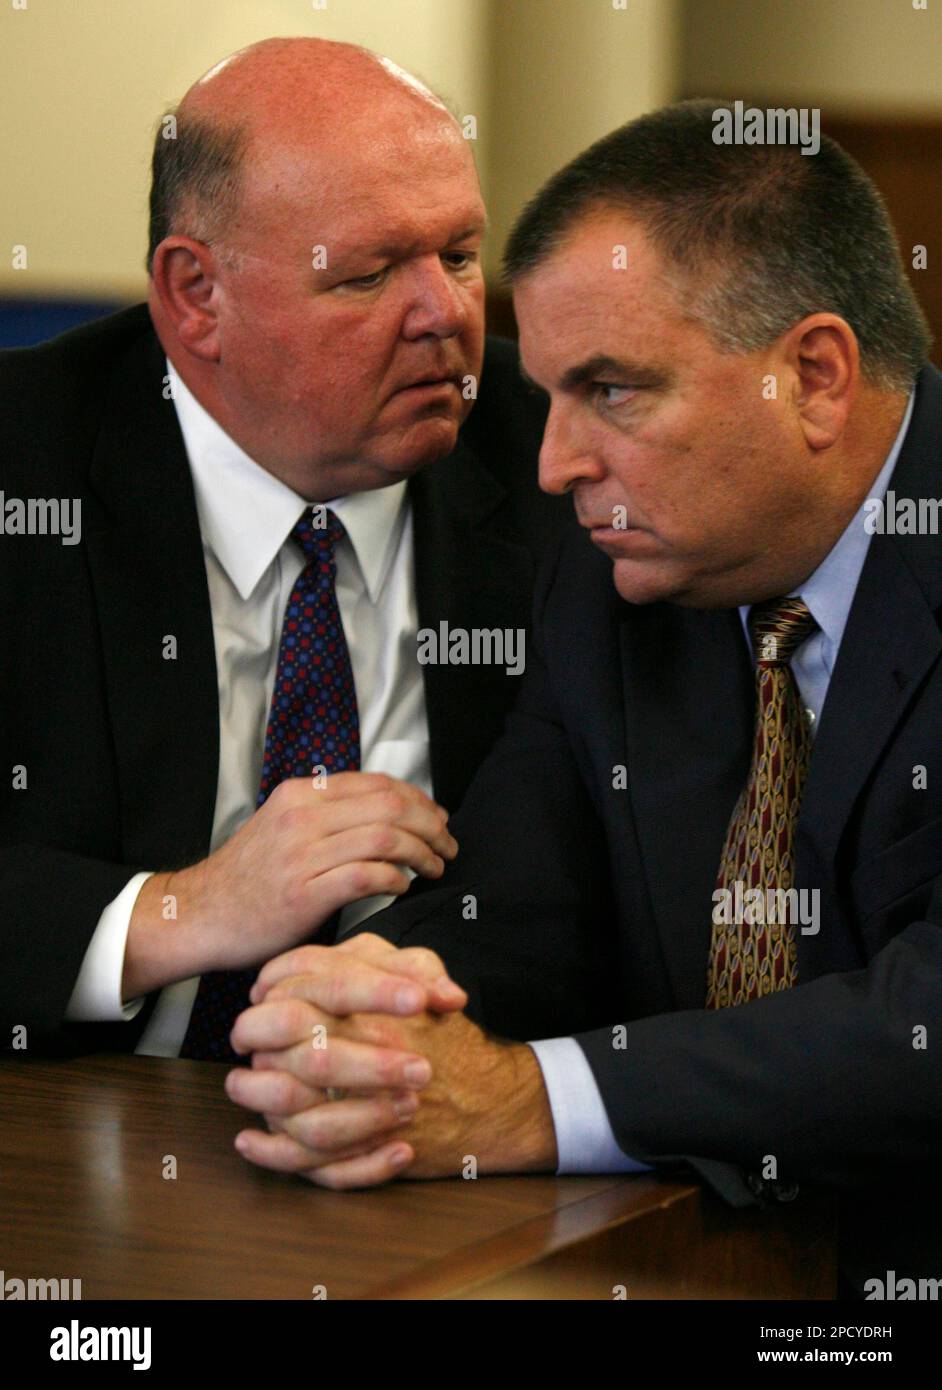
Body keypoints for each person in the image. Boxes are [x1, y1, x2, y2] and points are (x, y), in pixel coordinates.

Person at [226, 101, 941, 1295]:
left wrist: (537, 1102)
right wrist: (364, 1005)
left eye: (611, 392)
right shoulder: (614, 576)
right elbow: (521, 896)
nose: (555, 464)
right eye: (549, 393)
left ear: (814, 377)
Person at [0, 37, 562, 1061]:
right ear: (196, 295)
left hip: (435, 1126)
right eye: (369, 273)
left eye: (462, 254)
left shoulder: (566, 464)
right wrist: (178, 912)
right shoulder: (24, 468)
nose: (446, 313)